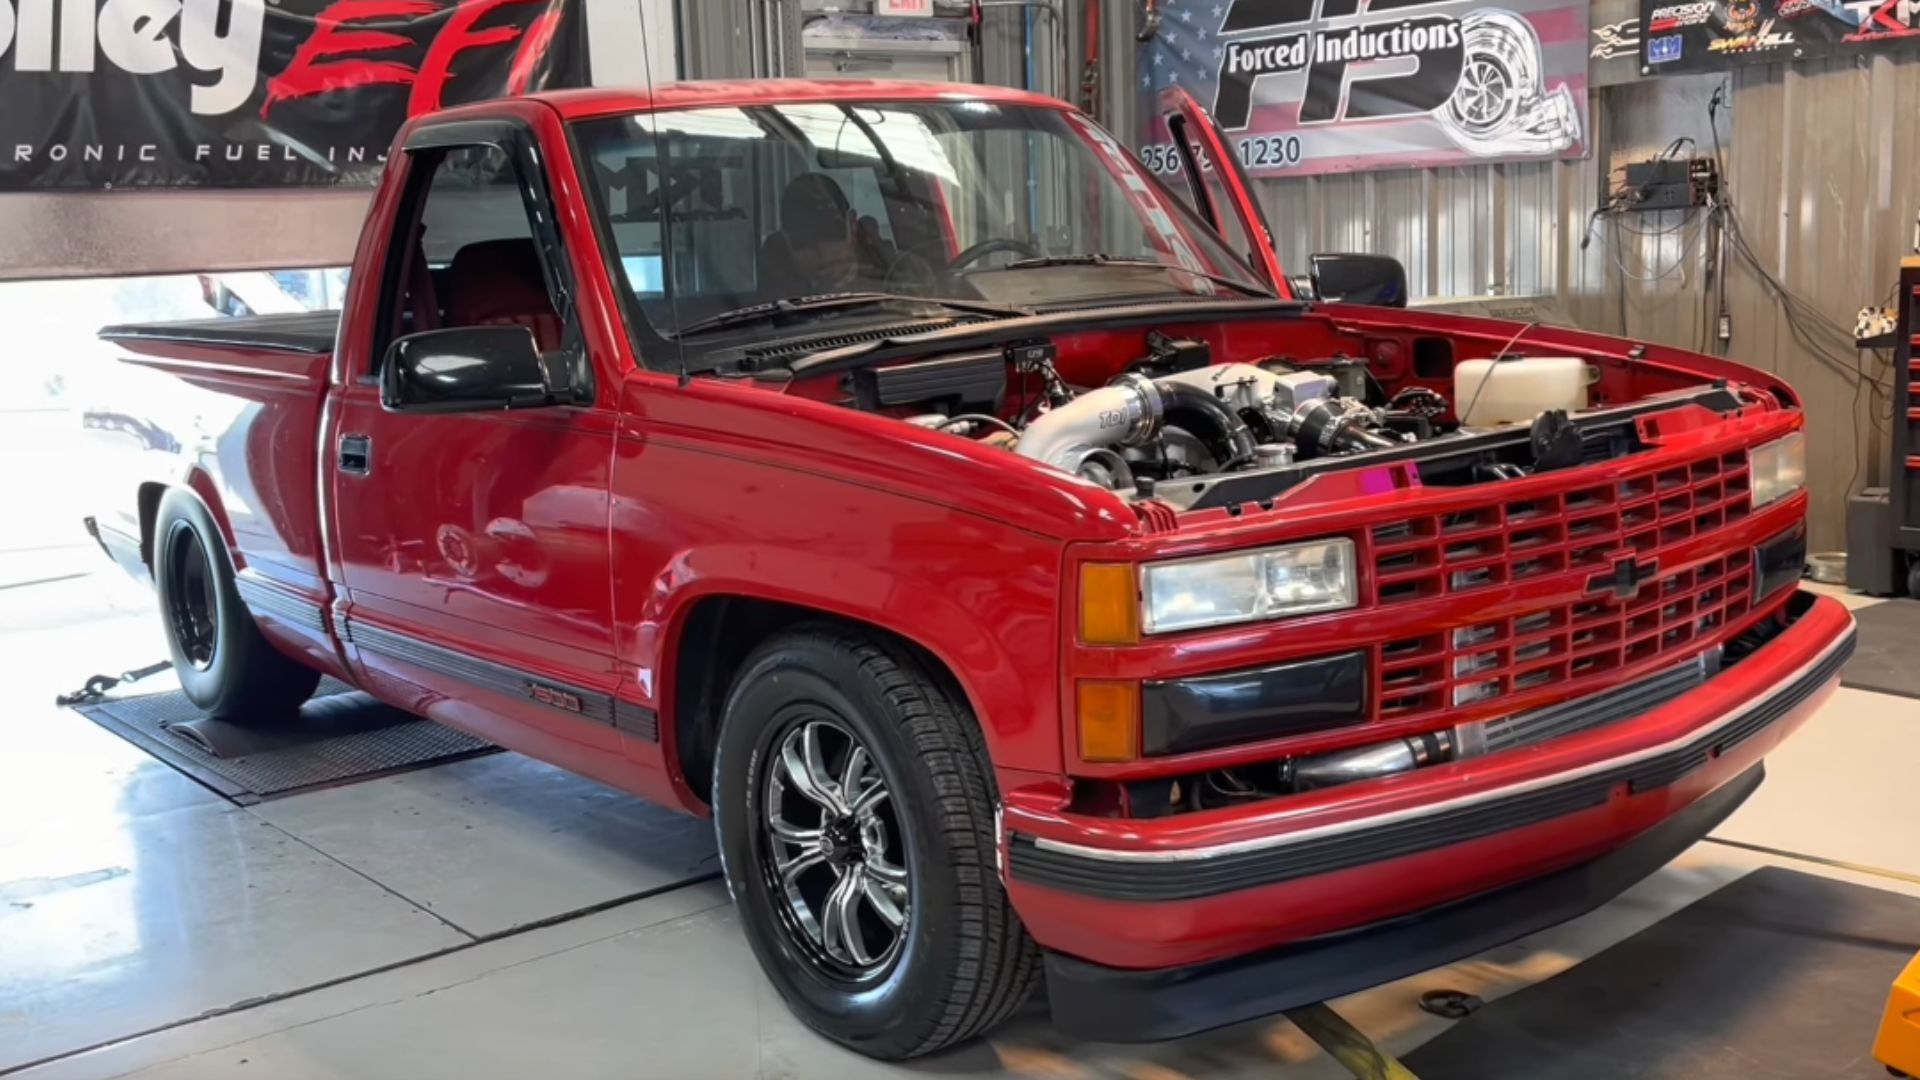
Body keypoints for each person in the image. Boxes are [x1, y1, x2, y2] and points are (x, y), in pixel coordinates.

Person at [758, 173, 929, 298]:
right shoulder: (770, 302)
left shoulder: (905, 274)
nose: (822, 254)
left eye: (831, 234)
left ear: (853, 224)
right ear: (786, 241)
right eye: (803, 243)